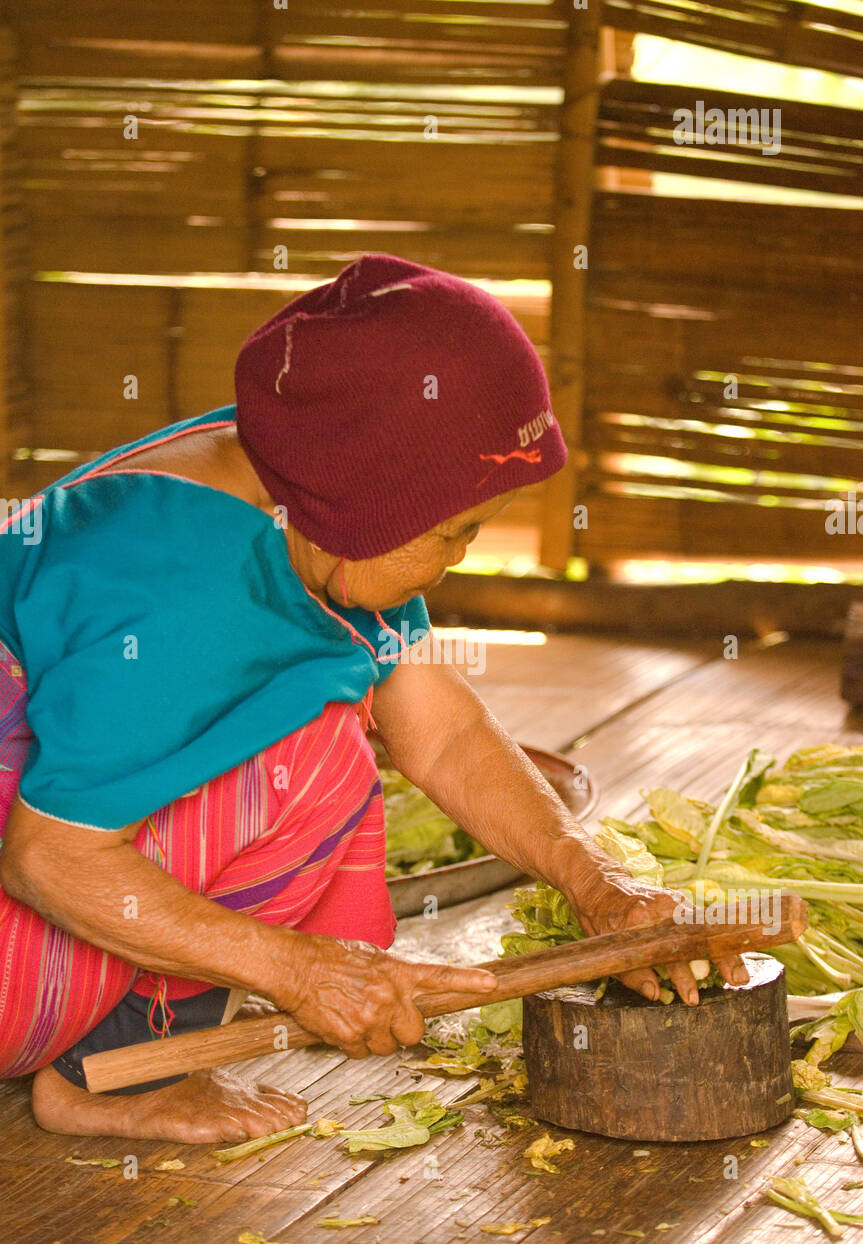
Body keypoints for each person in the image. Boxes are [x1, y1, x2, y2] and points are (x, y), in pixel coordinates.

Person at [0, 254, 747, 1143]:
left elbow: (444, 735)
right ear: (365, 506)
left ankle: (114, 1054)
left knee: (332, 713)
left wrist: (598, 885)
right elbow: (50, 861)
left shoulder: (290, 480)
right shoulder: (189, 597)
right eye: (452, 532)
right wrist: (300, 970)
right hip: (25, 922)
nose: (460, 558)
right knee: (311, 750)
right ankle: (121, 1074)